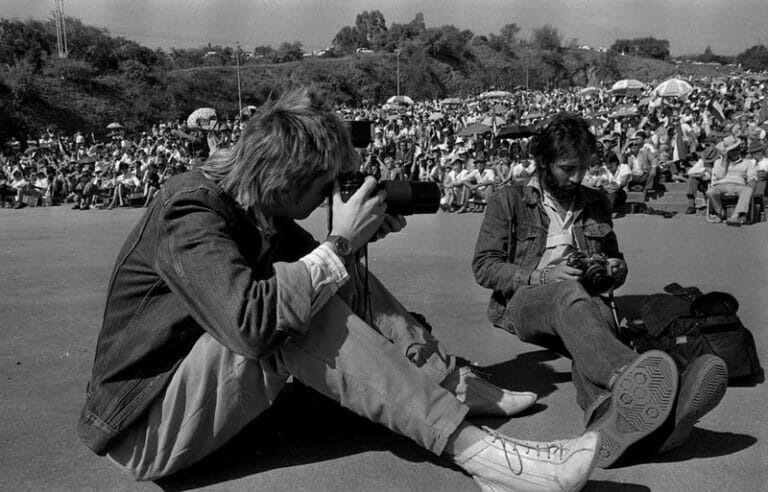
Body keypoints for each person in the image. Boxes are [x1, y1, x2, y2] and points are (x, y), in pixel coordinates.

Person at [78, 89, 600, 491]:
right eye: (324, 184)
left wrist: (352, 243)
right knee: (294, 314)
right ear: (283, 181)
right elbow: (251, 325)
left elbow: (340, 277)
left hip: (195, 392)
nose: (333, 194)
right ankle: (485, 456)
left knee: (328, 278)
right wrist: (341, 239)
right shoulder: (188, 210)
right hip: (145, 426)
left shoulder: (262, 209)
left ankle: (451, 382)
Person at [472, 114, 727, 468]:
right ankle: (630, 375)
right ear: (543, 162)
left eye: (583, 168)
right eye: (567, 168)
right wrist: (544, 276)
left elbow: (611, 259)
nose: (577, 178)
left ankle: (620, 424)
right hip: (527, 302)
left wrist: (615, 269)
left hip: (587, 302)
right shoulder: (509, 200)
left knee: (587, 340)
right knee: (568, 295)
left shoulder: (594, 201)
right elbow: (485, 267)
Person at [706, 135, 757, 226]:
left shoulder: (747, 163)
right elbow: (719, 176)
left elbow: (751, 177)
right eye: (732, 150)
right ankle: (720, 212)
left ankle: (735, 216)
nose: (735, 152)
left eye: (736, 149)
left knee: (748, 190)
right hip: (721, 184)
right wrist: (724, 161)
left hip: (739, 185)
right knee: (710, 192)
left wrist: (752, 182)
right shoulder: (719, 162)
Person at [684, 145, 719, 214]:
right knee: (692, 179)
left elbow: (718, 175)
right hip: (704, 183)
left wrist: (710, 172)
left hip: (716, 183)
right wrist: (704, 170)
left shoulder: (720, 162)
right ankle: (691, 205)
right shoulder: (702, 161)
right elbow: (690, 172)